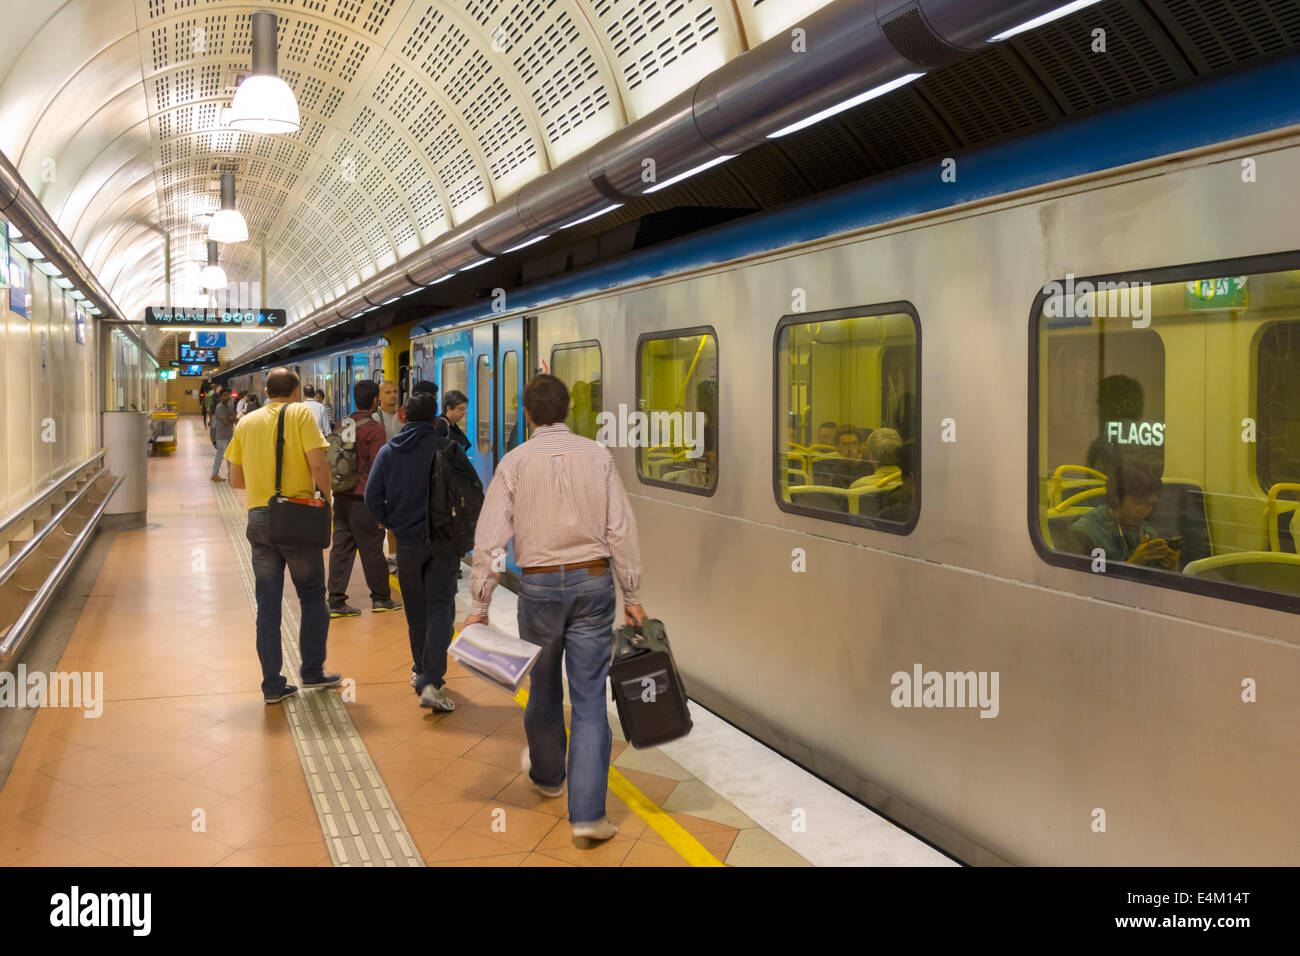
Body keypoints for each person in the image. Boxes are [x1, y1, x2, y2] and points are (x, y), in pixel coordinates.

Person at [464, 374, 647, 844]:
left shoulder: (513, 463)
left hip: (539, 589)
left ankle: (548, 778)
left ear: (526, 414)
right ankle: (588, 816)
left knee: (543, 688)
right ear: (568, 410)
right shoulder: (598, 457)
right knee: (588, 699)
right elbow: (621, 530)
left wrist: (479, 604)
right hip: (593, 583)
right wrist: (633, 595)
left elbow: (489, 540)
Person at [224, 367, 341, 704]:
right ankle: (313, 671)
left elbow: (235, 480)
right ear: (294, 393)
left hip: (260, 518)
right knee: (312, 596)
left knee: (268, 606)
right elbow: (318, 465)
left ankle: (273, 685)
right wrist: (327, 501)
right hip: (298, 516)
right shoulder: (301, 414)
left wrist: (265, 487)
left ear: (264, 390)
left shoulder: (246, 422)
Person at [365, 391, 466, 709]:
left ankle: (421, 670)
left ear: (405, 416)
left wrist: (391, 522)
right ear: (436, 416)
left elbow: (371, 498)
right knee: (441, 612)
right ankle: (431, 683)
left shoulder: (388, 451)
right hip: (442, 543)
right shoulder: (448, 448)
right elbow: (470, 494)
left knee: (416, 612)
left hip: (407, 544)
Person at [327, 380, 402, 619]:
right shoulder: (374, 428)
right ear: (374, 401)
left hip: (341, 496)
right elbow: (377, 466)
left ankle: (336, 601)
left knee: (341, 549)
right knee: (371, 549)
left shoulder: (344, 422)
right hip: (364, 499)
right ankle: (381, 598)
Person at [1069, 460, 1177, 568]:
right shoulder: (1085, 533)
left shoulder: (1146, 532)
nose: (1143, 510)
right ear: (1116, 498)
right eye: (1138, 502)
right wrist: (1133, 564)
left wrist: (1171, 568)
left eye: (1150, 504)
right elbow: (1085, 580)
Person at [209, 388, 237, 483]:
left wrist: (231, 418)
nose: (227, 397)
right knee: (220, 455)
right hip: (221, 435)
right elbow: (225, 421)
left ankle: (231, 476)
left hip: (229, 434)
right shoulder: (219, 407)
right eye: (224, 395)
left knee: (229, 456)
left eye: (228, 395)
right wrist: (231, 418)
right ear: (221, 396)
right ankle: (214, 474)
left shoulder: (229, 406)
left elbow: (234, 418)